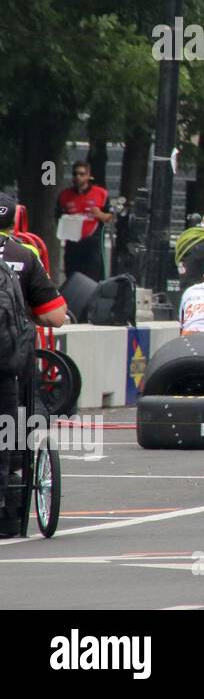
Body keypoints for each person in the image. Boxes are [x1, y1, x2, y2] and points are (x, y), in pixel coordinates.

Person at [0, 193, 69, 537]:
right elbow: (56, 316)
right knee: (9, 431)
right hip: (9, 362)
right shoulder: (23, 256)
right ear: (13, 222)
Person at [57, 161, 113, 283]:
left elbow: (109, 217)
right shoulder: (65, 195)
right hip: (72, 244)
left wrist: (99, 214)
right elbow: (57, 217)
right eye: (75, 174)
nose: (78, 177)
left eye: (82, 174)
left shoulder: (101, 194)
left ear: (88, 176)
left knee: (92, 279)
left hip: (92, 244)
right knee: (72, 278)